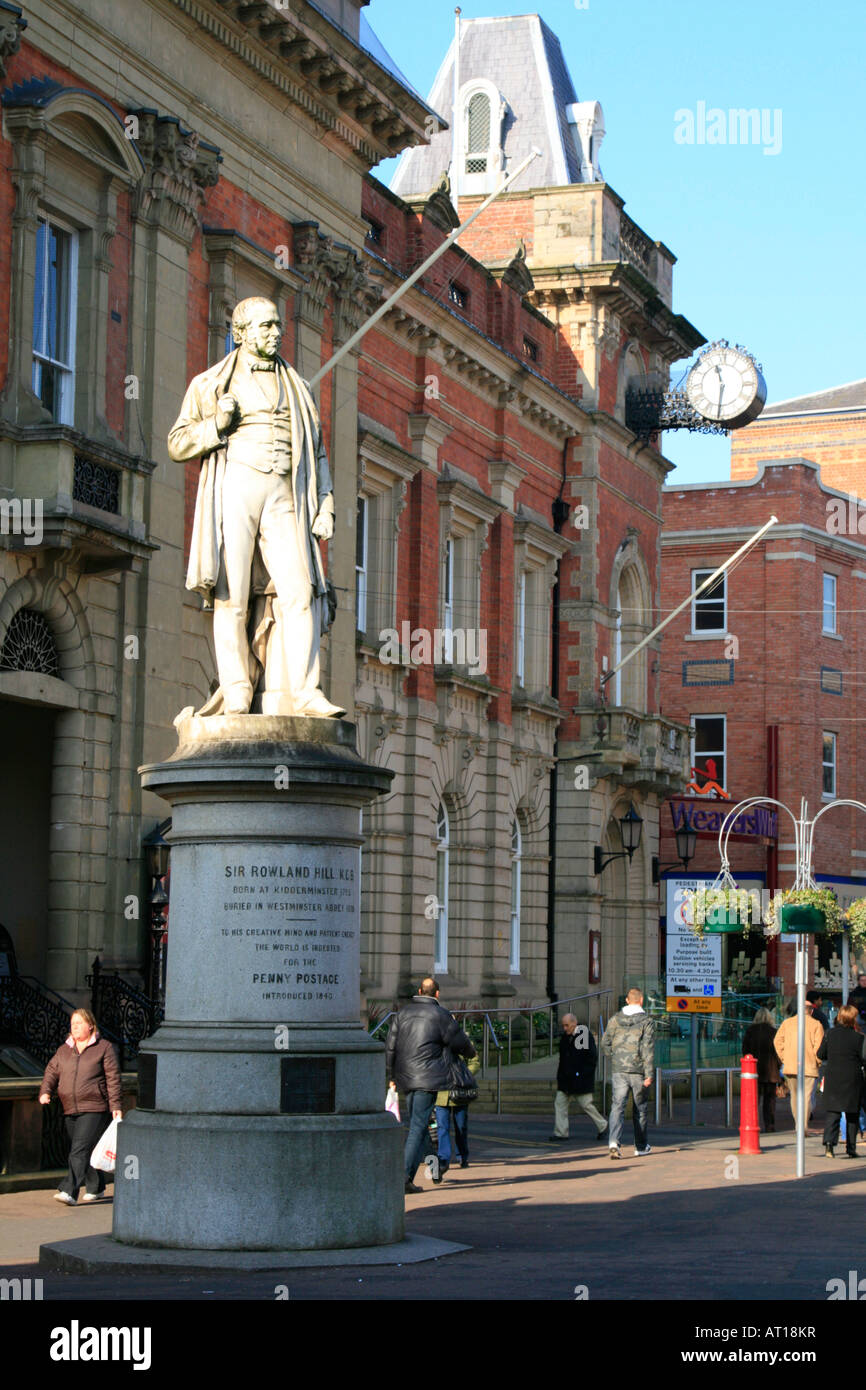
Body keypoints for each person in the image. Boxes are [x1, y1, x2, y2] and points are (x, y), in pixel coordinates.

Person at [168, 296, 344, 718]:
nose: (276, 333)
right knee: (232, 596)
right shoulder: (211, 384)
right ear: (241, 333)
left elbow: (317, 453)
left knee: (300, 591)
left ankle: (306, 692)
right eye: (266, 326)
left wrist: (326, 505)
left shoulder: (298, 388)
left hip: (285, 494)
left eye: (278, 325)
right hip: (237, 486)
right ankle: (236, 691)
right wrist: (216, 424)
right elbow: (177, 443)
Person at [385, 978, 475, 1194]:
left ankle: (435, 1170)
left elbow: (390, 1046)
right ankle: (403, 1177)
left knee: (420, 1124)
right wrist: (470, 1053)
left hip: (406, 1077)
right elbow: (460, 1042)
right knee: (418, 1126)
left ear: (419, 991)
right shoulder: (440, 1014)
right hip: (428, 1078)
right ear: (437, 994)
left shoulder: (402, 1013)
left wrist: (390, 1075)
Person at [39, 1008, 122, 1205]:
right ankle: (97, 1186)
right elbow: (51, 1071)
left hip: (95, 1107)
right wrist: (45, 1091)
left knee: (79, 1149)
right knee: (86, 1148)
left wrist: (116, 1105)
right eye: (72, 1023)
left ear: (90, 1026)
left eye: (79, 1023)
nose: (74, 1027)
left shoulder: (104, 1048)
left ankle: (69, 1191)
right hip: (70, 1107)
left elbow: (113, 1078)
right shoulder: (64, 1050)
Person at [600, 988, 655, 1159]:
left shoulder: (615, 1019)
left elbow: (605, 1042)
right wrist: (649, 1073)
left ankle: (613, 1142)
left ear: (627, 1000)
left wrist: (615, 1058)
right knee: (640, 1108)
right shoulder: (647, 1021)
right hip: (638, 1071)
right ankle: (641, 1146)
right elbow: (647, 1048)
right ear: (641, 1000)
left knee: (617, 1106)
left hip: (619, 1069)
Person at [817, 1003, 866, 1157]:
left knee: (833, 1112)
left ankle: (829, 1145)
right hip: (852, 1078)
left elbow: (820, 1054)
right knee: (852, 1114)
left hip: (833, 1077)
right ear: (853, 1019)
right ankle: (851, 1148)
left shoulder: (830, 1034)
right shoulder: (859, 1037)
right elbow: (864, 1058)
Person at [550, 1014, 607, 1142]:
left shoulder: (583, 1035)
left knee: (586, 1104)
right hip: (567, 1078)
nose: (565, 1028)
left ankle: (603, 1125)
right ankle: (561, 1132)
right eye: (563, 1025)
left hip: (579, 1079)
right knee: (560, 1103)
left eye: (567, 1025)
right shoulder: (567, 1036)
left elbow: (590, 1058)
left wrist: (579, 1074)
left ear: (574, 1023)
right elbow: (564, 1059)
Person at [773, 998, 824, 1133]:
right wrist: (817, 1061)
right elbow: (819, 1047)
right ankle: (804, 1126)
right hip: (809, 1066)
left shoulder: (787, 1023)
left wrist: (784, 1057)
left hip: (791, 1065)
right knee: (806, 1097)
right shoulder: (816, 1025)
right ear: (811, 1011)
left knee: (795, 1097)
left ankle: (798, 1125)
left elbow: (777, 1041)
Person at [435, 1050, 481, 1173]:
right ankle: (444, 1159)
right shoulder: (436, 1042)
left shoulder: (464, 1041)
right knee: (442, 1127)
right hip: (441, 1093)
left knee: (461, 1127)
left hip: (460, 1093)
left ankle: (462, 1156)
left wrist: (462, 1076)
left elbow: (474, 1062)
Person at [742, 1006, 780, 1132]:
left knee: (754, 1099)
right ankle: (770, 1125)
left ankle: (753, 1123)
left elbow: (745, 1051)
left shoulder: (750, 1031)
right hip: (771, 1072)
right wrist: (779, 1066)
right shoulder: (774, 1032)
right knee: (770, 1100)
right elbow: (779, 1052)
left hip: (754, 1071)